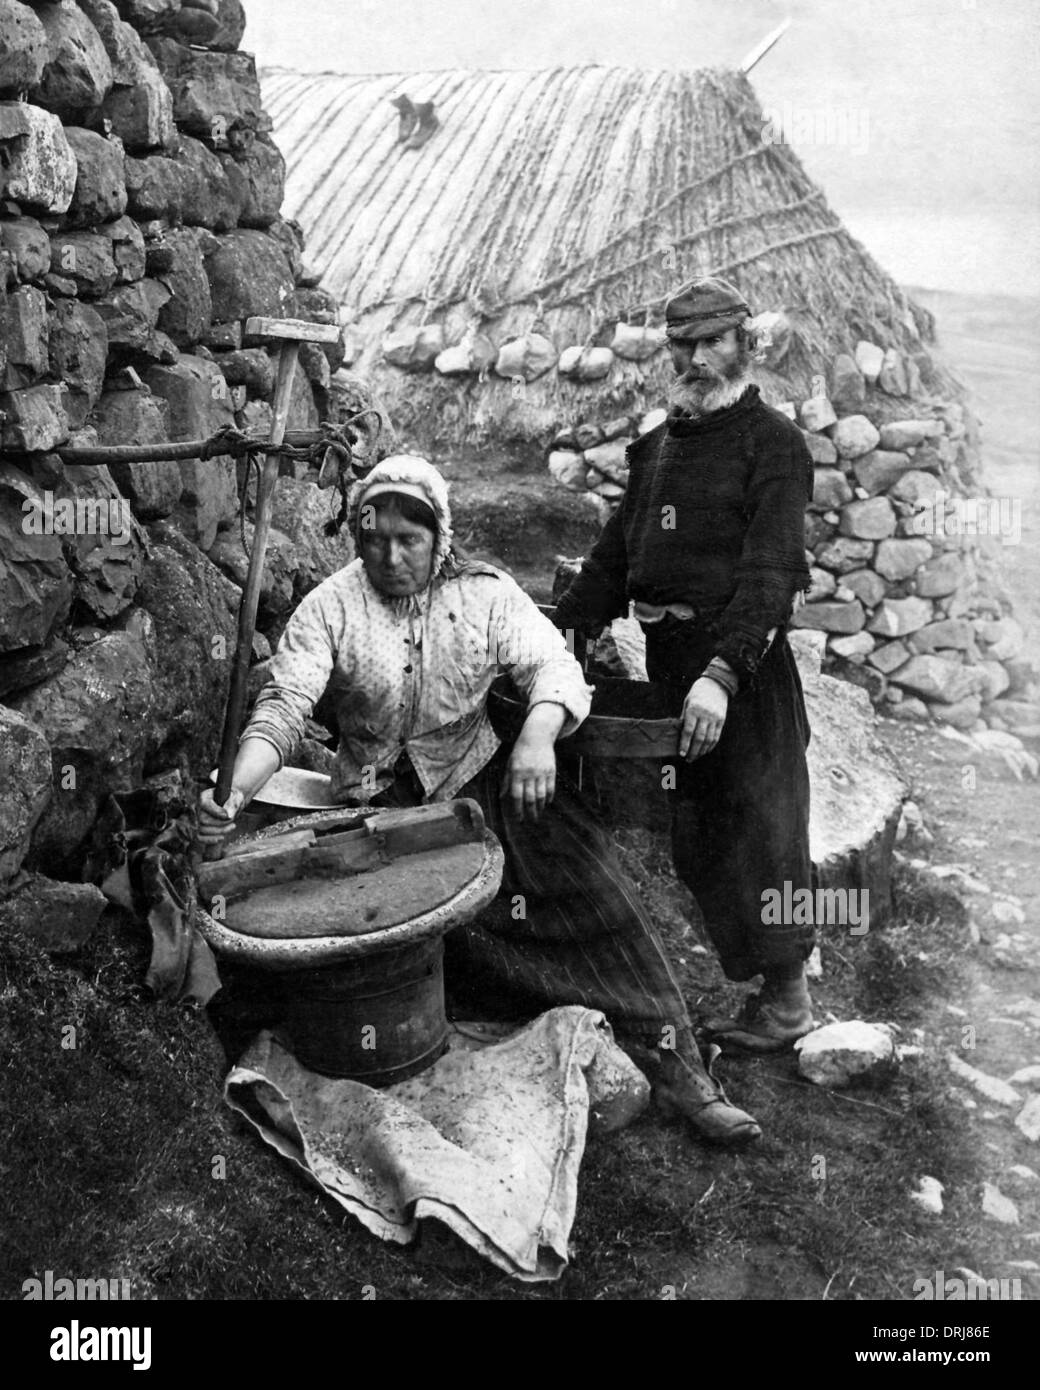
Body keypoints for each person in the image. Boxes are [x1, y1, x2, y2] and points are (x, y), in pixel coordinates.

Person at [198, 454, 762, 1146]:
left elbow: (553, 666)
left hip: (485, 780)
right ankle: (490, 1009)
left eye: (411, 541)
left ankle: (682, 1072)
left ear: (440, 541)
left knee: (595, 896)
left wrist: (535, 737)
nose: (392, 556)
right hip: (384, 805)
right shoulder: (331, 608)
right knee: (414, 929)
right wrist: (236, 790)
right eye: (375, 539)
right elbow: (284, 709)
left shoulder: (486, 595)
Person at [552, 276, 817, 1055]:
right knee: (699, 835)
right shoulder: (659, 446)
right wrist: (565, 634)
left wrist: (723, 675)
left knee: (764, 831)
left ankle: (791, 1000)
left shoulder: (774, 447)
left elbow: (772, 577)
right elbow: (613, 555)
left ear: (744, 344)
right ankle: (757, 986)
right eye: (685, 345)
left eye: (714, 342)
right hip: (671, 662)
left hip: (745, 672)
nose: (699, 359)